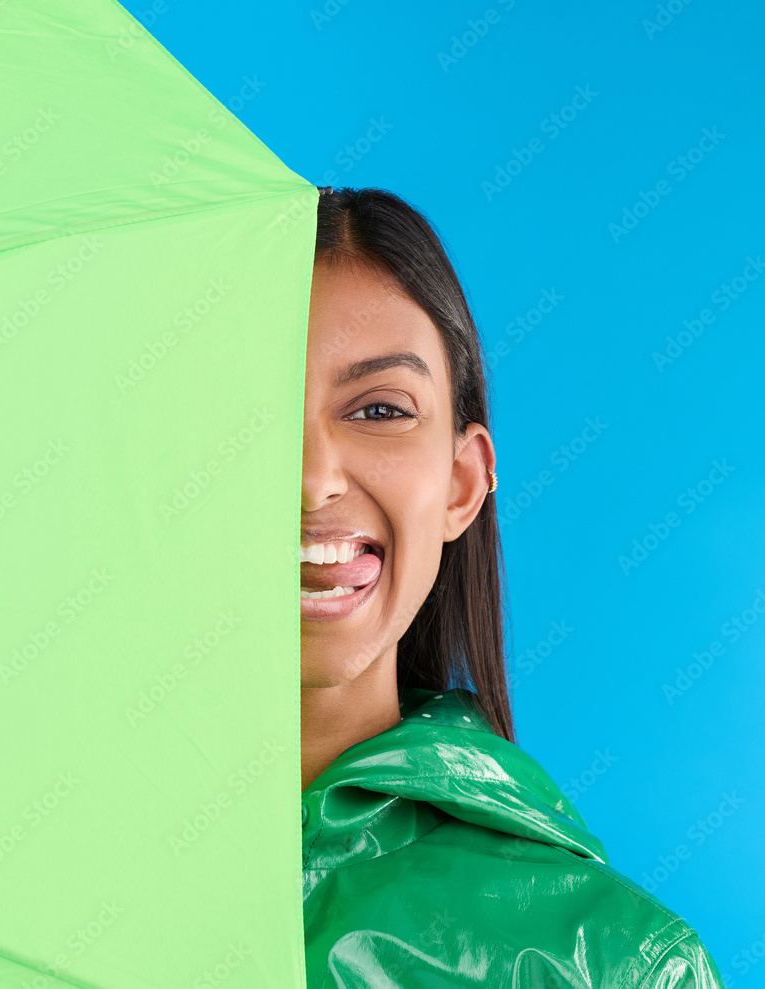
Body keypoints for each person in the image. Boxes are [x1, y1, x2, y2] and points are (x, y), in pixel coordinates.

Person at [299, 186, 725, 987]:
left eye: (380, 408)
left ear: (462, 484)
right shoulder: (16, 862)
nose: (313, 478)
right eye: (253, 406)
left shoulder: (618, 965)